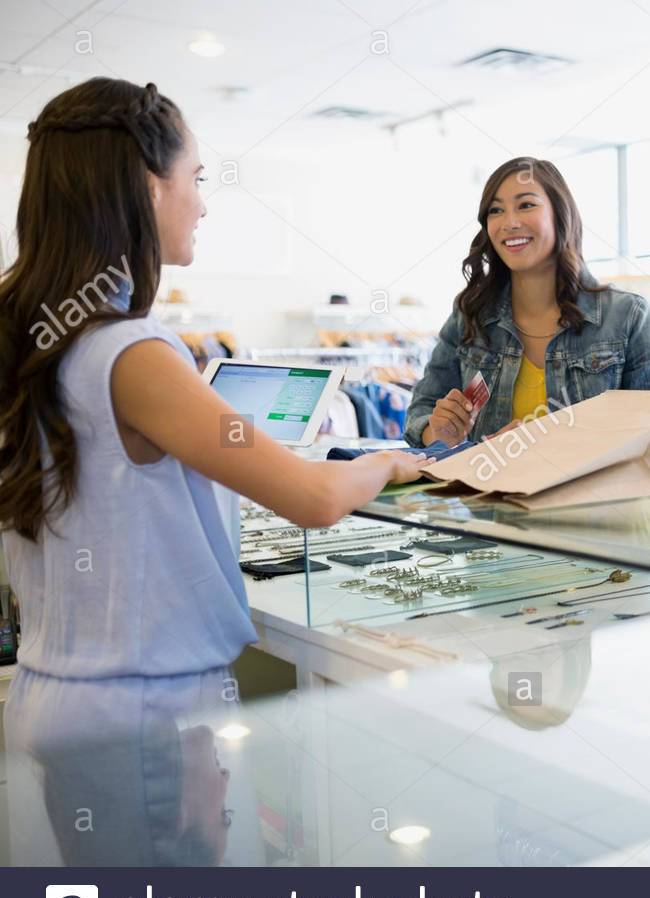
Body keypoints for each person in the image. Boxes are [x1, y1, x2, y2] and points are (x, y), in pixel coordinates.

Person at [0, 78, 428, 803]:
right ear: (146, 184)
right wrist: (387, 459)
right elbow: (317, 498)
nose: (203, 202)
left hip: (59, 697)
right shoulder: (133, 353)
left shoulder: (31, 335)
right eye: (196, 179)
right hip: (144, 719)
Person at [405, 157, 650, 447]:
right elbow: (421, 412)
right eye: (496, 210)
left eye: (526, 205)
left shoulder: (628, 316)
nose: (510, 223)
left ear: (560, 213)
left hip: (594, 493)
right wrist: (440, 433)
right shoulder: (470, 314)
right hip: (487, 491)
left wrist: (549, 453)